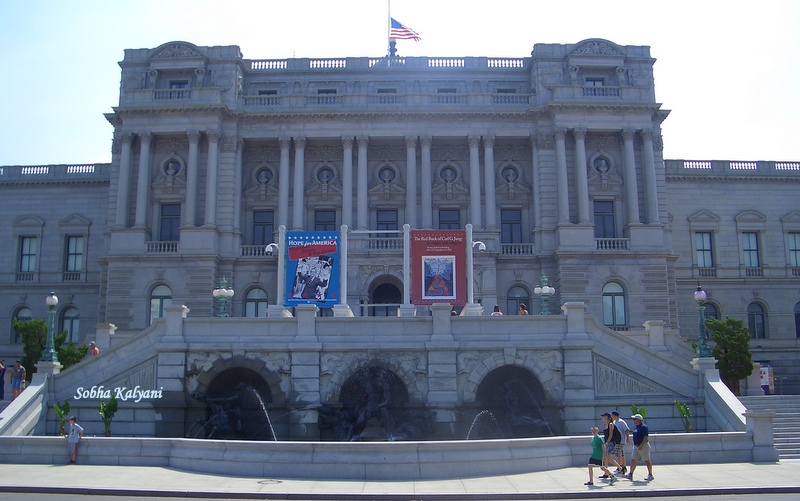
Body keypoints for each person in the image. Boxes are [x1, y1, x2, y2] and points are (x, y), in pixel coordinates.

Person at [627, 414, 654, 481]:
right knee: (633, 459)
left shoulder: (644, 427)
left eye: (635, 419)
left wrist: (642, 445)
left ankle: (650, 474)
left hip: (643, 446)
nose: (634, 421)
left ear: (639, 420)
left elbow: (645, 437)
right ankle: (630, 474)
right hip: (636, 446)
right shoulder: (636, 427)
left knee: (647, 460)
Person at [599, 412, 622, 478]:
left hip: (611, 442)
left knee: (608, 457)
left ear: (606, 417)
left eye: (603, 416)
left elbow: (611, 435)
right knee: (605, 458)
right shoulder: (605, 424)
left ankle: (620, 468)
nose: (602, 417)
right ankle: (606, 473)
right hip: (606, 442)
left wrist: (607, 443)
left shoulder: (610, 424)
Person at [611, 411, 630, 475]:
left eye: (612, 416)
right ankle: (623, 467)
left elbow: (626, 430)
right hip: (616, 440)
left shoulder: (621, 422)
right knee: (621, 454)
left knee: (618, 454)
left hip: (621, 440)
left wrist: (627, 438)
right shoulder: (614, 422)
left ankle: (619, 467)